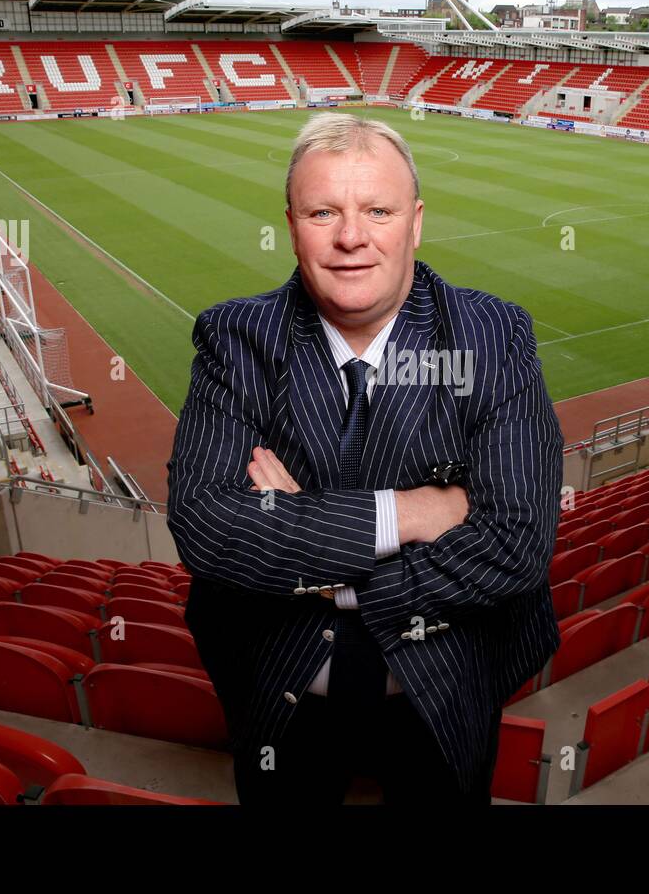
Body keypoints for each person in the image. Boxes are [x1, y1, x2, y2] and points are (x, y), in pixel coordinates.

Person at [167, 112, 562, 805]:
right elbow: (208, 526)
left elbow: (517, 542)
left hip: (440, 690)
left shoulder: (493, 335)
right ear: (291, 222)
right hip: (282, 695)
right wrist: (415, 511)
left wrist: (314, 563)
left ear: (414, 222)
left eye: (376, 210)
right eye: (324, 212)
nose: (351, 238)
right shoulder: (234, 338)